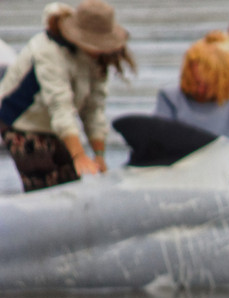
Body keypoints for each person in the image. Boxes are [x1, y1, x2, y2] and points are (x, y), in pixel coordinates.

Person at [0, 0, 134, 192]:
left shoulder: (97, 59)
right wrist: (78, 154)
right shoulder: (48, 51)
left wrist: (99, 155)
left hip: (55, 126)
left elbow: (94, 109)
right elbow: (60, 106)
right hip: (20, 122)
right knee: (44, 185)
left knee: (70, 182)